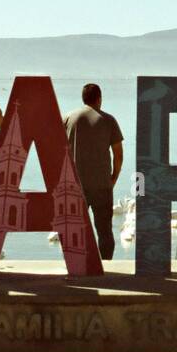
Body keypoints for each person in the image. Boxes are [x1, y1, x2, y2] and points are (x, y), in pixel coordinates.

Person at [63, 83, 124, 260]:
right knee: (104, 230)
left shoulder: (68, 118)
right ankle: (106, 265)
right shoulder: (109, 120)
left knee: (74, 229)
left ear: (84, 98)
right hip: (101, 184)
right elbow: (118, 155)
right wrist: (113, 178)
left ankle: (77, 265)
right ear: (99, 98)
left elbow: (58, 150)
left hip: (75, 184)